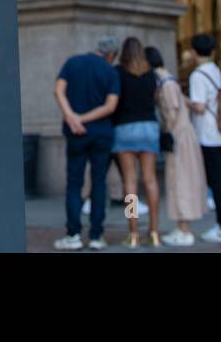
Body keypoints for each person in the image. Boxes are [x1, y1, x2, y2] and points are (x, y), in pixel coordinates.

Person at [53, 37, 120, 251]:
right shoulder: (111, 72)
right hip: (101, 133)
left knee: (74, 183)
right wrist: (83, 119)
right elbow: (110, 106)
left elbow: (58, 91)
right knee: (98, 183)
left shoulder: (73, 63)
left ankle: (73, 234)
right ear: (111, 54)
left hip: (76, 134)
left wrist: (72, 117)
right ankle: (96, 235)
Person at [147, 46, 205, 247]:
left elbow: (172, 111)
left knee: (181, 180)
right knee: (178, 180)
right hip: (182, 134)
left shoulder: (165, 82)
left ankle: (185, 230)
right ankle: (181, 226)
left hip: (179, 136)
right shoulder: (167, 80)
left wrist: (166, 133)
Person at [112, 37, 162, 248]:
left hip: (125, 129)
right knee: (150, 180)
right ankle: (154, 232)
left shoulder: (118, 72)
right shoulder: (152, 73)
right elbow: (156, 99)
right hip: (149, 128)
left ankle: (133, 233)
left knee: (130, 183)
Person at [188, 33, 221, 243]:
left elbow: (199, 106)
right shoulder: (217, 71)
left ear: (194, 52)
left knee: (217, 182)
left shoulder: (198, 75)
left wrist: (184, 100)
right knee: (219, 181)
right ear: (213, 51)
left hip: (207, 133)